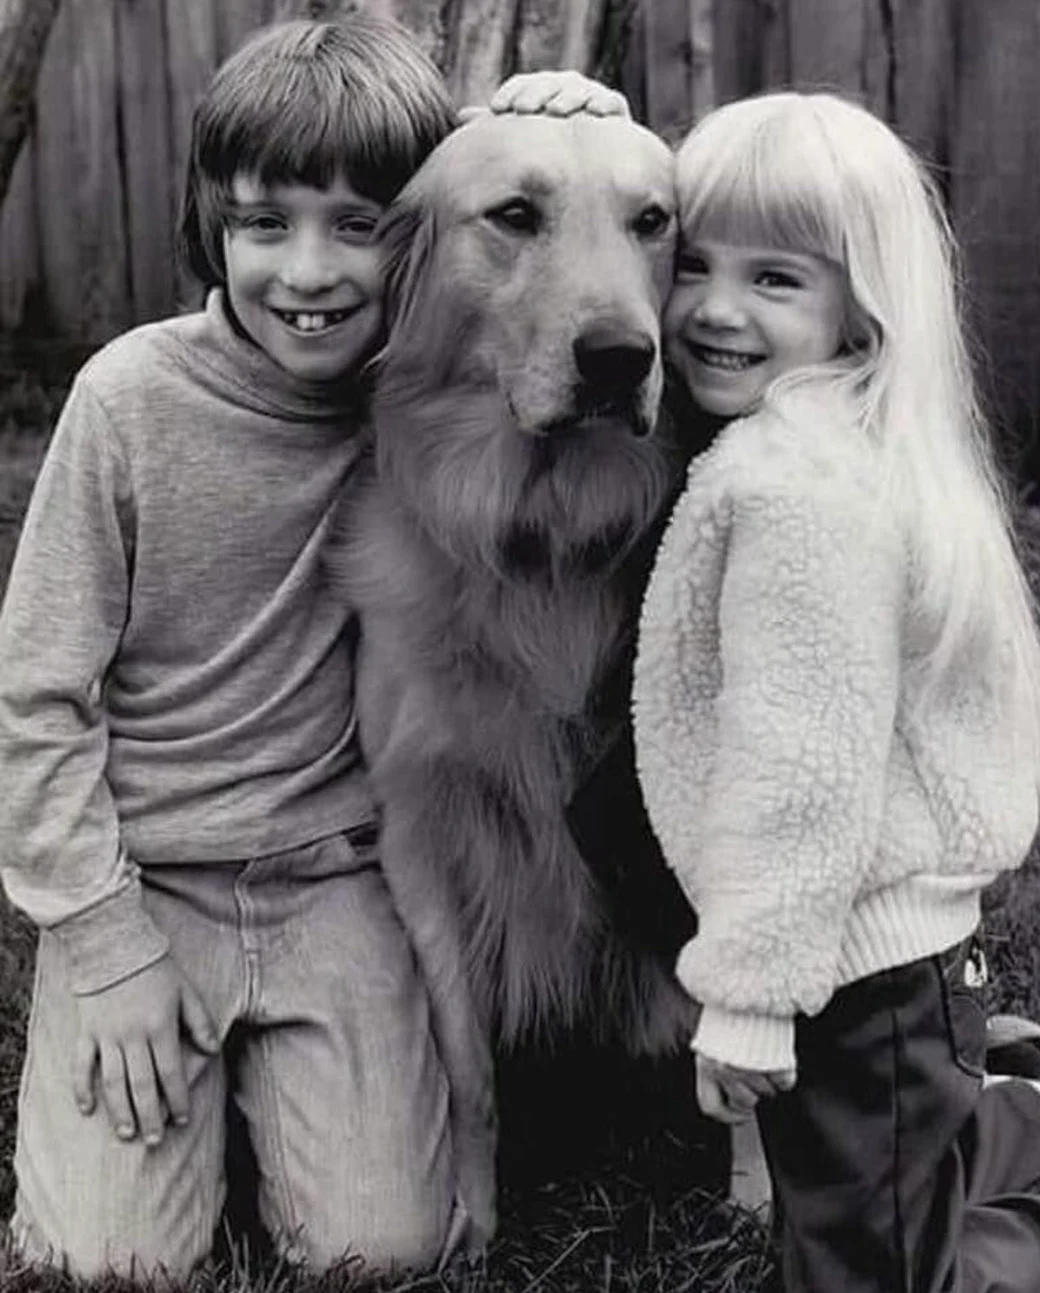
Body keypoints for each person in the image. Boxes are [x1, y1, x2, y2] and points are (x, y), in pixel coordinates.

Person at [0, 15, 623, 1282]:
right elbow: (35, 697)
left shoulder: (427, 404)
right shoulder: (125, 403)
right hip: (149, 881)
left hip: (335, 876)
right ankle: (158, 1083)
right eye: (263, 224)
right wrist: (106, 948)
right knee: (109, 1268)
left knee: (382, 1247)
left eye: (360, 225)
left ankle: (281, 1083)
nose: (311, 272)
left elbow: (565, 247)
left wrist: (561, 111)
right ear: (208, 228)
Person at [631, 90, 1040, 1292]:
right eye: (696, 265)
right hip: (884, 962)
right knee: (864, 1179)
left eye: (776, 280)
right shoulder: (831, 434)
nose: (714, 311)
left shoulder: (798, 497)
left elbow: (803, 769)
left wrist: (749, 1002)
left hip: (855, 970)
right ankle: (1012, 1095)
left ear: (860, 311)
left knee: (871, 1272)